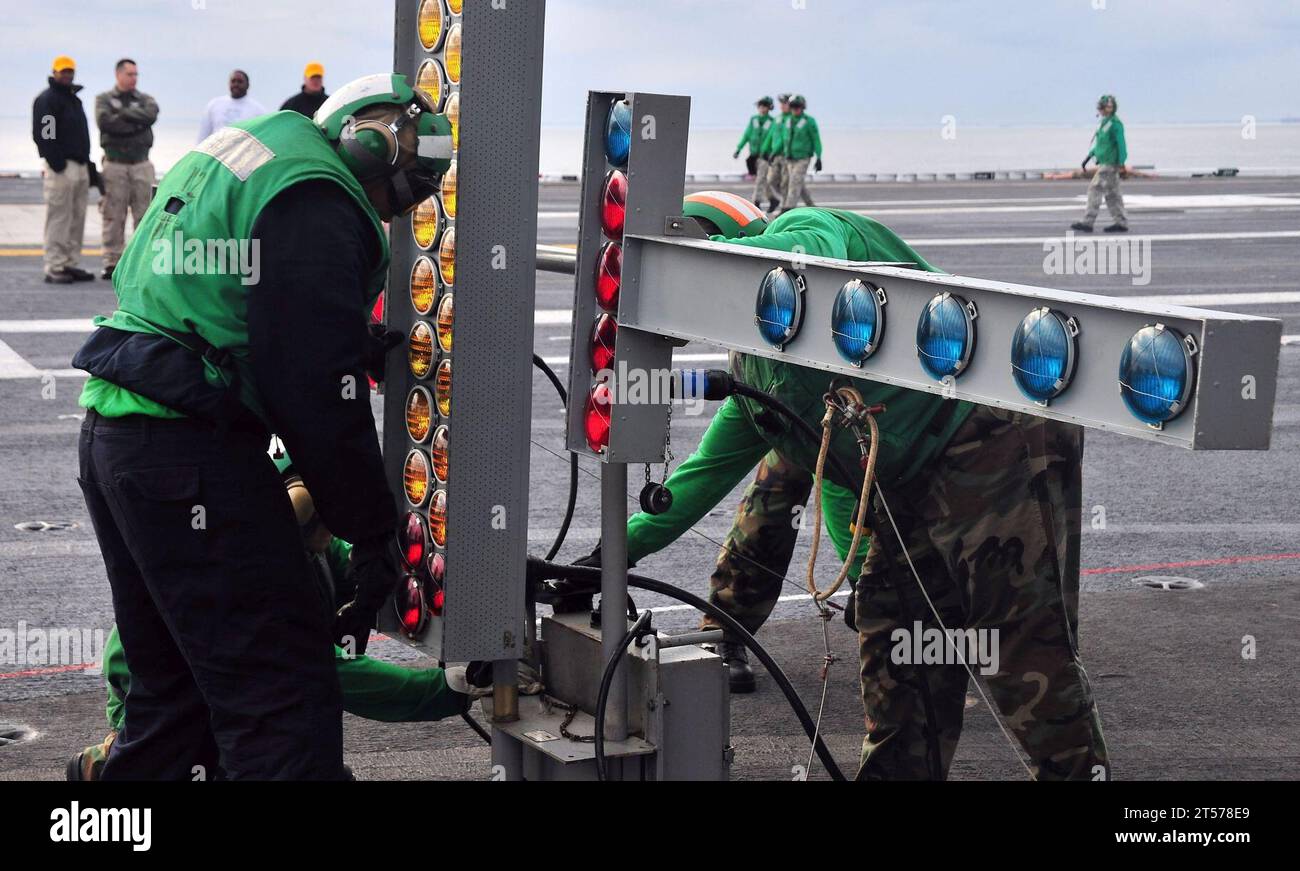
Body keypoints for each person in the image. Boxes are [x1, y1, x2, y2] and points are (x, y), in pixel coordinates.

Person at [589, 205, 1109, 779]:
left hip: (992, 435)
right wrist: (611, 557)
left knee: (1018, 649)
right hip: (907, 474)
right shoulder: (755, 378)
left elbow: (819, 259)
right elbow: (705, 478)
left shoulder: (808, 231)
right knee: (896, 646)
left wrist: (858, 564)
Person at [71, 72, 453, 780]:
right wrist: (371, 533)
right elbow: (318, 398)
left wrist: (330, 329)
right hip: (186, 455)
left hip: (117, 435)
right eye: (395, 194)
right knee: (282, 706)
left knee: (173, 700)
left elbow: (226, 297)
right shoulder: (319, 194)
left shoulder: (257, 151)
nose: (390, 215)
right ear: (373, 144)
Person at [67, 450, 470, 782]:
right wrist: (454, 688)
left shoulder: (305, 545)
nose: (332, 519)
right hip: (161, 700)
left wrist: (472, 578)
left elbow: (371, 570)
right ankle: (119, 762)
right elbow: (336, 674)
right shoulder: (247, 577)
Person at [32, 55, 94, 284]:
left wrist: (87, 164)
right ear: (54, 72)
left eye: (70, 71)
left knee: (77, 217)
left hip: (79, 166)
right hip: (62, 168)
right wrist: (56, 162)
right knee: (59, 217)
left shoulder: (73, 100)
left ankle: (70, 262)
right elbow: (44, 134)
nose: (67, 75)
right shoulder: (48, 100)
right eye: (63, 71)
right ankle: (55, 265)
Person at [95, 59, 159, 281]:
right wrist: (136, 124)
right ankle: (112, 261)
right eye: (130, 74)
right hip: (115, 165)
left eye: (136, 75)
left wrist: (122, 115)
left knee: (145, 213)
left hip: (141, 164)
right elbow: (105, 123)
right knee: (113, 214)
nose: (134, 78)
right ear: (118, 75)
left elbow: (151, 115)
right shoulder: (103, 100)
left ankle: (141, 260)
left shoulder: (145, 100)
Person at [1071, 94, 1128, 233]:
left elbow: (1121, 145)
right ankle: (1121, 222)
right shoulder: (1104, 123)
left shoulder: (1115, 124)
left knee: (1094, 189)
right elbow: (1101, 143)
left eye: (1109, 106)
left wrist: (1121, 163)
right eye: (1105, 106)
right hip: (1105, 162)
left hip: (1110, 164)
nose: (1106, 109)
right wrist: (1089, 155)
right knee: (1113, 193)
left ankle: (1088, 222)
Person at [198, 69, 267, 141]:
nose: (236, 84)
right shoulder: (214, 105)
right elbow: (203, 135)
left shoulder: (258, 110)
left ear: (248, 85)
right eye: (233, 81)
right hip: (217, 151)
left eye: (240, 81)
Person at [780, 95, 821, 211]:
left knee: (794, 181)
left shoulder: (809, 121)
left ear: (803, 107)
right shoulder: (787, 121)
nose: (795, 109)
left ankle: (787, 209)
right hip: (789, 158)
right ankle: (811, 206)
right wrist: (774, 152)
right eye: (793, 106)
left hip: (803, 158)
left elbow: (816, 140)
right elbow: (783, 139)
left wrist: (819, 157)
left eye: (798, 107)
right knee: (795, 182)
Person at [756, 94, 792, 214]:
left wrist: (774, 151)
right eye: (781, 103)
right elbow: (770, 136)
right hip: (775, 156)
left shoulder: (790, 120)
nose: (782, 106)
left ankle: (785, 207)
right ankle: (782, 201)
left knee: (786, 182)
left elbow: (783, 139)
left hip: (786, 156)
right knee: (770, 180)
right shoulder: (778, 119)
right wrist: (764, 151)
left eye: (785, 103)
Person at [733, 96, 775, 181]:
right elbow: (746, 135)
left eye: (764, 106)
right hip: (754, 152)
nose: (761, 108)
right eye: (760, 106)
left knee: (765, 172)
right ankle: (753, 176)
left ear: (769, 108)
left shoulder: (772, 121)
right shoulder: (754, 120)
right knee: (749, 161)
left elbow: (774, 138)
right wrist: (738, 149)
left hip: (766, 154)